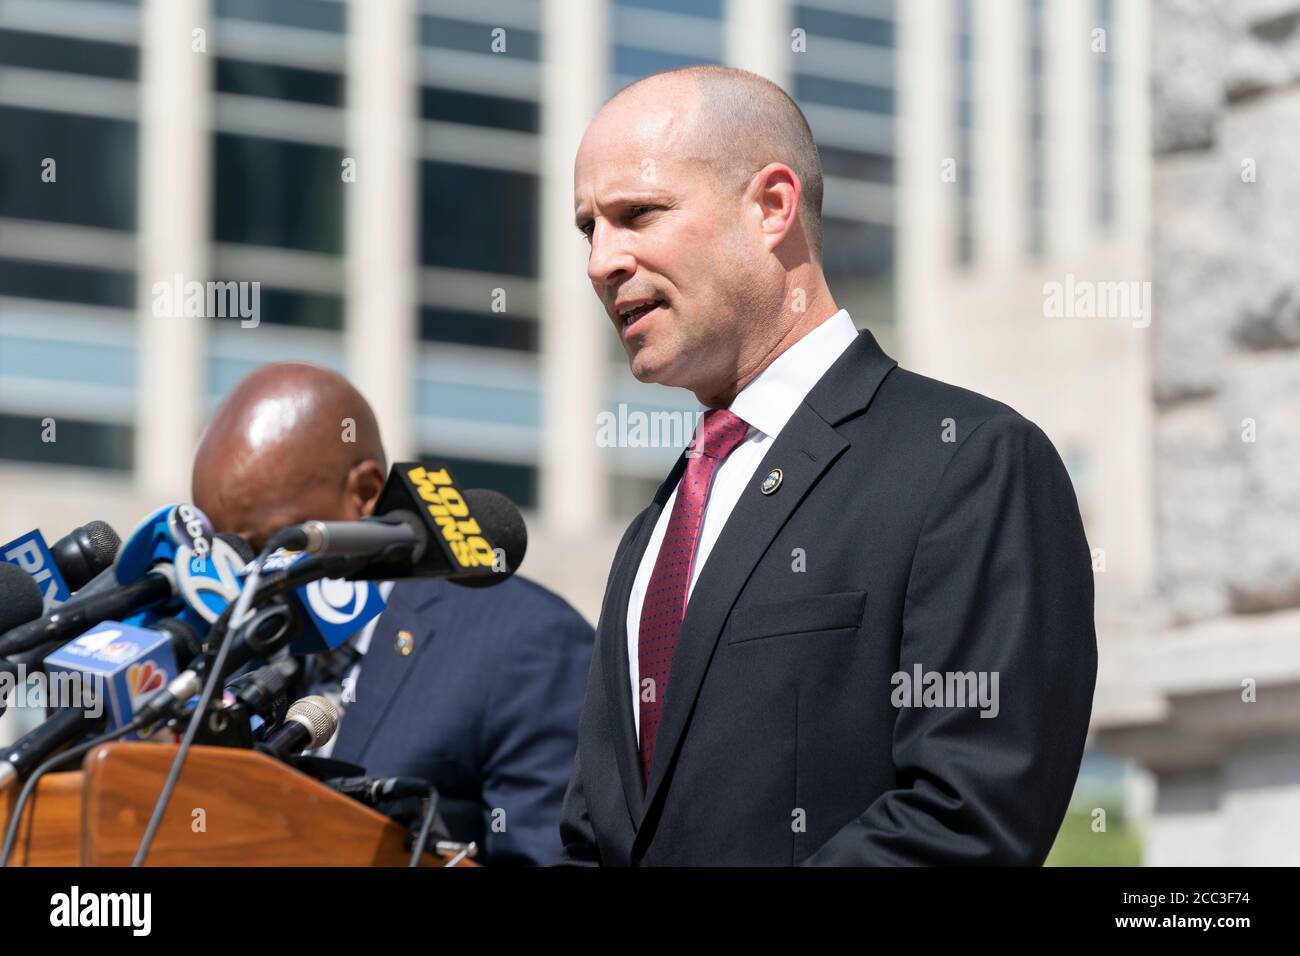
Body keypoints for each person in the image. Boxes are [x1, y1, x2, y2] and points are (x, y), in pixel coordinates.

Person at [560, 65, 1097, 865]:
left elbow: (967, 817)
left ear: (772, 207)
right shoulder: (655, 530)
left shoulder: (968, 463)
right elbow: (596, 836)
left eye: (638, 214)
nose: (603, 261)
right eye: (588, 230)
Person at [192, 362, 593, 865]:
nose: (246, 575)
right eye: (224, 552)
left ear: (362, 493)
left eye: (264, 545)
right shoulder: (237, 658)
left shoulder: (526, 643)